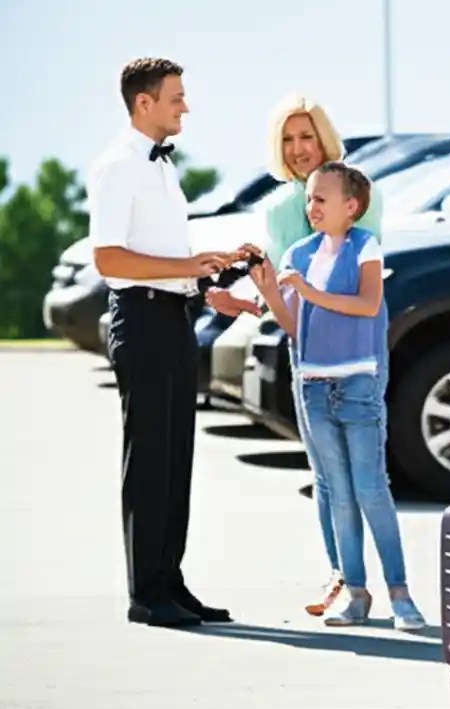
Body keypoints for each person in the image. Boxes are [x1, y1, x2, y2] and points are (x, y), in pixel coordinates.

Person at [90, 57, 261, 627]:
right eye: (176, 97)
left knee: (176, 461)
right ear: (144, 103)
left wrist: (211, 281)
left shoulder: (161, 167)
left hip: (172, 319)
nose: (185, 106)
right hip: (139, 323)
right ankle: (146, 593)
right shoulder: (118, 166)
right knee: (149, 461)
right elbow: (109, 259)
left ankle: (170, 580)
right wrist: (186, 263)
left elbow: (161, 260)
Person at [249, 161, 425, 631]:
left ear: (352, 207)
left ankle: (401, 593)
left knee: (371, 490)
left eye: (321, 198)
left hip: (358, 387)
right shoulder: (297, 255)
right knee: (341, 497)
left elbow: (366, 305)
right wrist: (269, 291)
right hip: (313, 388)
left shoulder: (365, 248)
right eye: (309, 198)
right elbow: (292, 327)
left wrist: (306, 290)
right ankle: (357, 594)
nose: (312, 207)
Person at [257, 93, 385, 618]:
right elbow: (287, 296)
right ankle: (344, 580)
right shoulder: (278, 209)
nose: (297, 148)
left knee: (367, 478)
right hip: (304, 353)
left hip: (358, 351)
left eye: (306, 136)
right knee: (326, 477)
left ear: (325, 138)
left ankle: (384, 583)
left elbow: (361, 282)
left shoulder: (362, 196)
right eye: (287, 139)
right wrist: (247, 300)